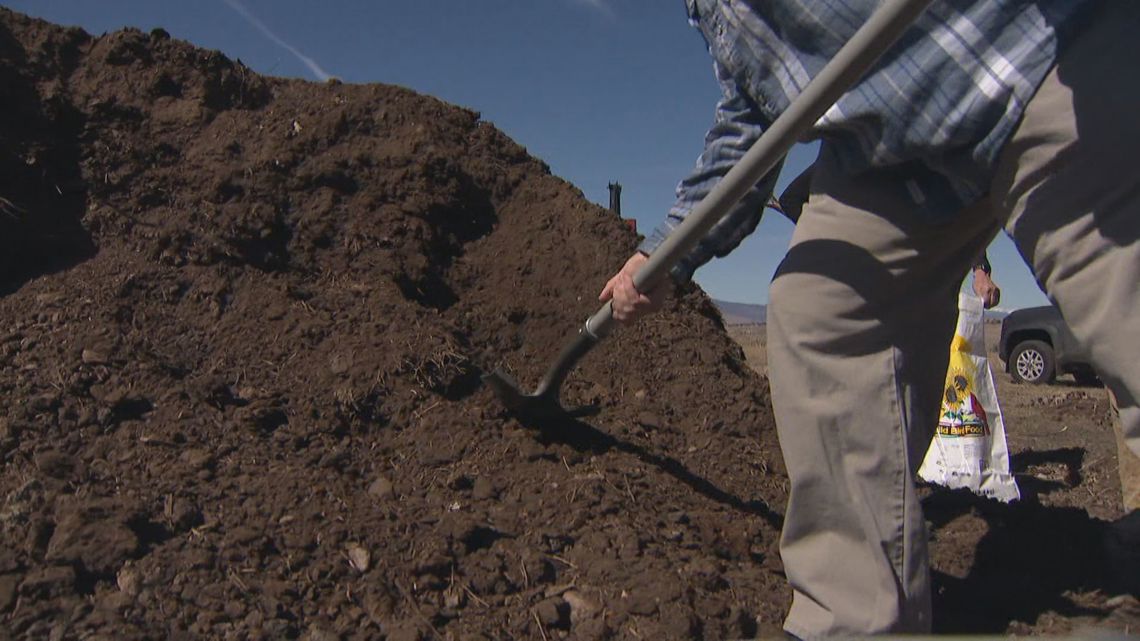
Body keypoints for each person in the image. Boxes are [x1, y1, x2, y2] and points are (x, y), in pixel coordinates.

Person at [599, 1, 1139, 637]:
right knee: (823, 307)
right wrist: (664, 251)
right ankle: (853, 619)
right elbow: (756, 122)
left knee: (1125, 308)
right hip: (898, 156)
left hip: (1031, 52)